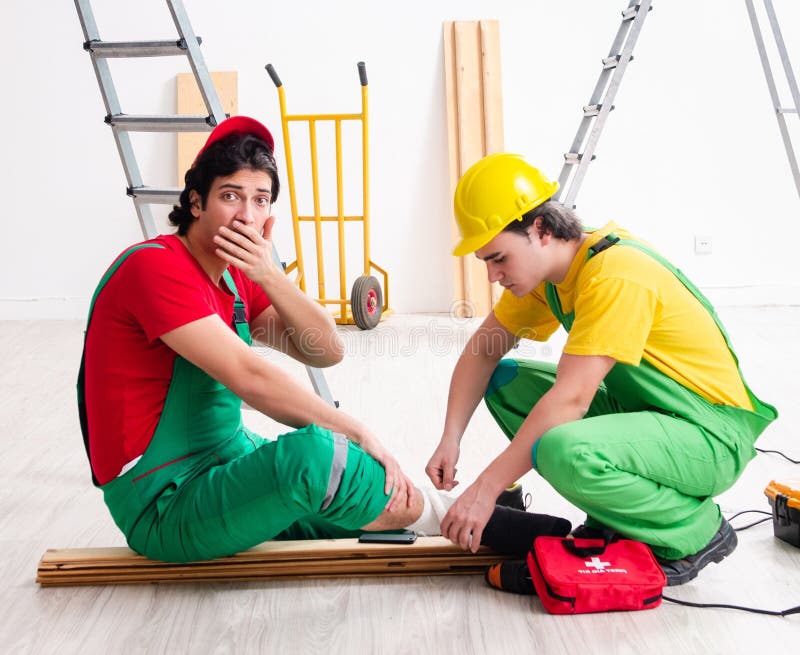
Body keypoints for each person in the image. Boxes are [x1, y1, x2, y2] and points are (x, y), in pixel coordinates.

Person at [78, 117, 565, 564]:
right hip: (167, 499)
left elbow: (324, 349)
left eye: (261, 199)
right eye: (230, 196)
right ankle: (462, 518)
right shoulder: (155, 267)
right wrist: (358, 431)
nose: (246, 214)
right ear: (196, 202)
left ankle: (462, 513)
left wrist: (271, 275)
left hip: (225, 458)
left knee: (334, 475)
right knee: (318, 457)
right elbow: (249, 377)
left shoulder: (236, 277)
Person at [426, 153, 777, 588]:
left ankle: (695, 529)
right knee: (506, 382)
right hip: (653, 416)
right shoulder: (548, 276)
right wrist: (450, 438)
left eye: (499, 258)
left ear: (541, 230)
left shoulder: (614, 275)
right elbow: (483, 352)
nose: (494, 274)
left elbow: (572, 399)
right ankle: (619, 518)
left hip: (708, 436)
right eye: (486, 262)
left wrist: (486, 489)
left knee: (559, 448)